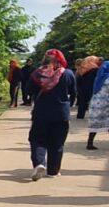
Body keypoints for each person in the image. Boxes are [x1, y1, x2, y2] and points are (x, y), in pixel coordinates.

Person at [28, 49, 77, 181]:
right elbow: (73, 93)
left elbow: (28, 91)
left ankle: (39, 163)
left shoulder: (37, 74)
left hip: (41, 113)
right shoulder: (67, 74)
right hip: (61, 113)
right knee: (57, 143)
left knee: (37, 140)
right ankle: (53, 171)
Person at [86, 60, 109, 150]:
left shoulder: (98, 77)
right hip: (107, 104)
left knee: (95, 124)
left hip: (95, 104)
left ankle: (90, 143)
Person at [75, 56, 101, 120]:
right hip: (91, 87)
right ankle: (93, 116)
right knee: (93, 102)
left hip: (82, 87)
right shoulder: (96, 69)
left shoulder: (83, 68)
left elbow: (79, 78)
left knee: (82, 101)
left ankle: (80, 115)